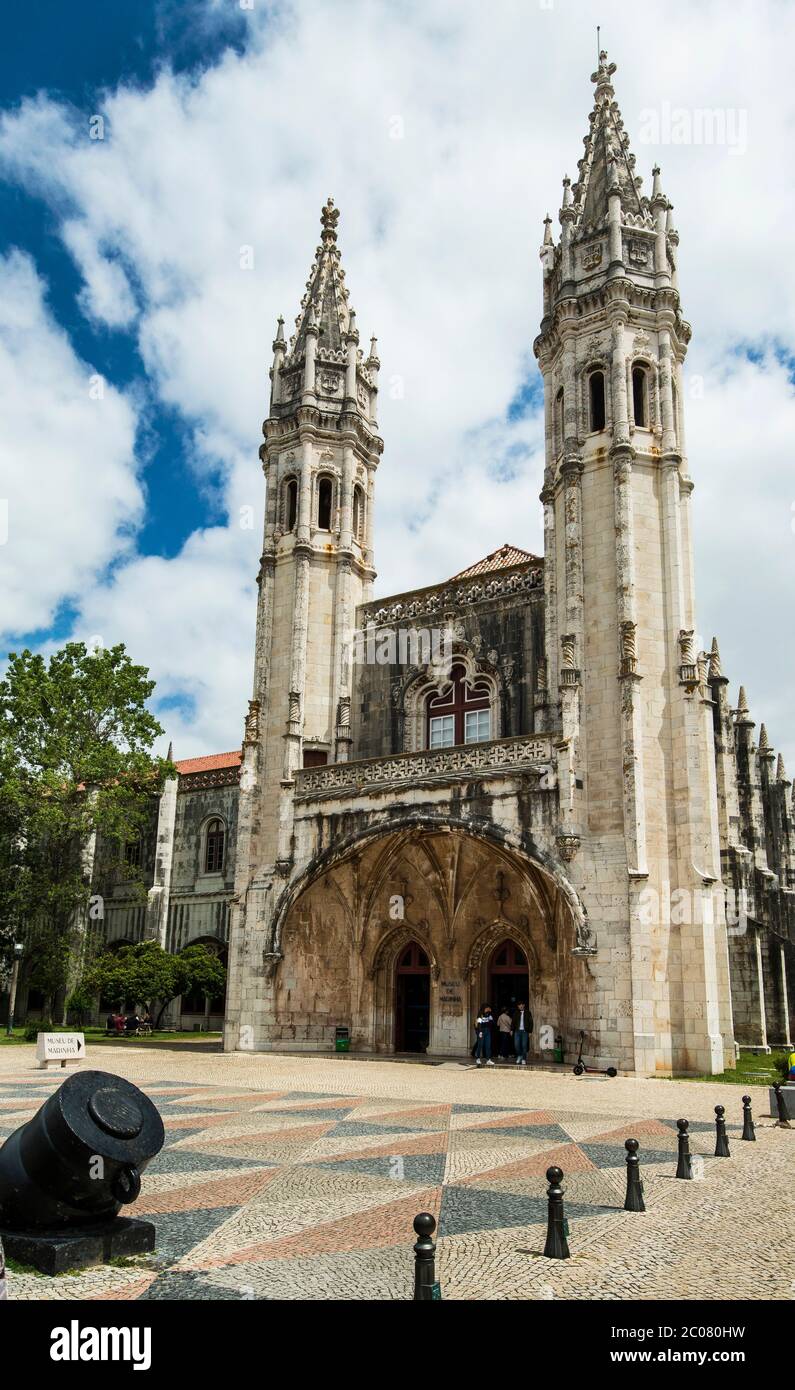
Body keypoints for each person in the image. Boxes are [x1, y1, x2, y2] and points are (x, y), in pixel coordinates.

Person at [512, 999, 533, 1066]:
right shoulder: (516, 1013)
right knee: (516, 1045)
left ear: (524, 1005)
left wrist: (530, 1031)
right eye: (519, 1005)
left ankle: (523, 1059)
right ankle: (519, 1055)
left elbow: (531, 1022)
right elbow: (513, 1022)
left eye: (521, 1005)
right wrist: (511, 1030)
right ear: (518, 1006)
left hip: (525, 1031)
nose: (520, 1006)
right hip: (517, 1031)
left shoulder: (528, 1012)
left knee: (524, 1046)